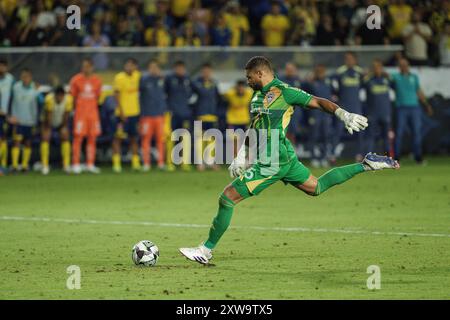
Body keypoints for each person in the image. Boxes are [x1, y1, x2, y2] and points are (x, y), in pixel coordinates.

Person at [179, 56, 399, 264]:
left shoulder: (284, 92)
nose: (247, 81)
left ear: (260, 73)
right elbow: (255, 127)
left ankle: (205, 250)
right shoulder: (256, 97)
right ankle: (366, 164)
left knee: (227, 198)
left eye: (249, 77)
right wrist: (242, 154)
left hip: (273, 160)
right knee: (317, 187)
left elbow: (319, 102)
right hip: (283, 157)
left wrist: (344, 115)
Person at [391, 58, 433, 164]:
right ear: (399, 67)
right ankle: (396, 158)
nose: (404, 67)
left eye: (405, 65)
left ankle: (418, 157)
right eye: (401, 65)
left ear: (408, 65)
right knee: (399, 133)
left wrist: (427, 105)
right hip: (401, 108)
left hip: (415, 107)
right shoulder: (395, 77)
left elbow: (418, 91)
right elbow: (387, 78)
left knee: (417, 133)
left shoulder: (414, 77)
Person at [69, 58, 102, 174]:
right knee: (78, 138)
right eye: (84, 66)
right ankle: (76, 164)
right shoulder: (76, 80)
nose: (85, 68)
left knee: (92, 138)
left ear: (92, 67)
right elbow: (72, 97)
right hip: (80, 114)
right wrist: (74, 111)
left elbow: (97, 97)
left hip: (93, 114)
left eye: (88, 66)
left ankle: (90, 164)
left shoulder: (97, 81)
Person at [332, 52, 365, 161]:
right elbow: (334, 88)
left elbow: (364, 85)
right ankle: (333, 155)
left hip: (356, 106)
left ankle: (359, 154)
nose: (349, 61)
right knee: (338, 130)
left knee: (359, 130)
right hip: (343, 107)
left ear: (355, 60)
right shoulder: (340, 72)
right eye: (347, 59)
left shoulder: (360, 72)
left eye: (351, 59)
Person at [10, 69, 42, 172]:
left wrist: (38, 91)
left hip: (30, 121)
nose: (25, 79)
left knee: (28, 142)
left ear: (30, 77)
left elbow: (41, 101)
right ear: (21, 77)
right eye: (23, 76)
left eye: (27, 76)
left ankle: (24, 165)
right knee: (17, 141)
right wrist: (10, 116)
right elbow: (9, 101)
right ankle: (14, 166)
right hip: (18, 120)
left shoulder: (34, 89)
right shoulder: (15, 87)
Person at [112, 58, 141, 172]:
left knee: (134, 138)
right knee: (118, 138)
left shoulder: (138, 76)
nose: (129, 67)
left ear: (135, 67)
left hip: (135, 113)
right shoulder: (119, 78)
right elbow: (116, 95)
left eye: (131, 65)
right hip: (122, 114)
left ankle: (135, 163)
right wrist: (121, 112)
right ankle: (116, 163)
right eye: (127, 65)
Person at [164, 60, 193, 171]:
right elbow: (164, 93)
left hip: (185, 113)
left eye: (182, 68)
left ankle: (184, 162)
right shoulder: (169, 79)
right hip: (172, 113)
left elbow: (191, 93)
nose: (180, 70)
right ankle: (169, 162)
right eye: (178, 68)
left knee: (184, 137)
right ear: (175, 69)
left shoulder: (187, 79)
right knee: (170, 137)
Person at [192, 63, 221, 171]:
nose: (206, 73)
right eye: (204, 71)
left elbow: (218, 98)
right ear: (201, 72)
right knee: (200, 139)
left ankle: (210, 161)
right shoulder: (196, 83)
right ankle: (200, 162)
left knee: (211, 139)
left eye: (208, 71)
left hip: (212, 115)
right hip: (201, 114)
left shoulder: (214, 83)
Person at [139, 60, 166, 171]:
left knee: (160, 139)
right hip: (147, 115)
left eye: (155, 67)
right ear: (148, 69)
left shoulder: (162, 80)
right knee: (146, 139)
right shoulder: (144, 80)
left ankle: (160, 162)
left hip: (159, 115)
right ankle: (146, 163)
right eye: (151, 67)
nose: (153, 69)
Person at [305, 64, 334, 168]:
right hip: (315, 113)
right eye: (318, 71)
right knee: (314, 135)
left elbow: (333, 94)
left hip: (326, 114)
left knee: (326, 136)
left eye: (322, 71)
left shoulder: (328, 81)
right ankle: (313, 158)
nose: (321, 73)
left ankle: (324, 158)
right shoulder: (310, 83)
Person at [40, 86, 72, 175]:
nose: (59, 98)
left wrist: (62, 128)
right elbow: (48, 117)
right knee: (46, 137)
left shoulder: (68, 100)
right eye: (58, 96)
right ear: (55, 95)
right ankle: (45, 166)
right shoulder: (49, 100)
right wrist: (48, 129)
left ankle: (66, 165)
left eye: (61, 96)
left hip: (61, 121)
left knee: (65, 135)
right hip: (47, 121)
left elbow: (66, 115)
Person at [363, 60, 392, 156]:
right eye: (374, 67)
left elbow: (395, 85)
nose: (377, 69)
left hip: (385, 113)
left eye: (379, 67)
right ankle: (368, 157)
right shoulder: (369, 80)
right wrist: (367, 75)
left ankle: (388, 158)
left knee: (386, 137)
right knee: (370, 136)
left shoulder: (386, 80)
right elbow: (360, 84)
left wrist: (389, 76)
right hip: (372, 113)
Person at [278, 62, 302, 147]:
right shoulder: (280, 80)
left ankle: (291, 151)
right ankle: (283, 151)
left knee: (293, 132)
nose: (290, 71)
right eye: (288, 69)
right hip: (283, 110)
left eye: (292, 70)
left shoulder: (298, 80)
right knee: (283, 131)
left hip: (295, 110)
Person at [0, 59, 14, 168]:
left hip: (5, 115)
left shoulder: (10, 79)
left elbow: (13, 97)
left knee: (3, 138)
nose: (1, 68)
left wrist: (10, 114)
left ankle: (2, 165)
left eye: (3, 66)